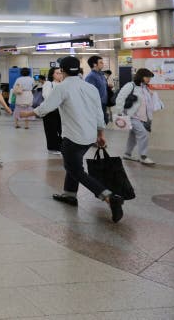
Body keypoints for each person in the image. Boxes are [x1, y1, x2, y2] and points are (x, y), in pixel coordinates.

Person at [23, 56, 125, 223]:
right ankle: (69, 195)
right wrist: (100, 134)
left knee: (75, 169)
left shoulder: (63, 87)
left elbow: (46, 107)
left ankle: (109, 197)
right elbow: (99, 112)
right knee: (74, 164)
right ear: (78, 70)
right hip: (89, 136)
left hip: (73, 136)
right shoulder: (90, 87)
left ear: (62, 71)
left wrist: (28, 113)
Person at [115, 68, 162, 165]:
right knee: (143, 134)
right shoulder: (131, 85)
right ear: (141, 76)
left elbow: (147, 102)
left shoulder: (145, 88)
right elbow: (120, 98)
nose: (149, 79)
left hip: (142, 117)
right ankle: (143, 156)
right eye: (147, 77)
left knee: (133, 136)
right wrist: (120, 112)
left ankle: (127, 154)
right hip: (132, 116)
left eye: (150, 77)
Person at [41, 67, 63, 154]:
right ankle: (52, 148)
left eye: (61, 73)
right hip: (50, 110)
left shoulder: (63, 83)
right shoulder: (48, 84)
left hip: (61, 110)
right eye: (57, 73)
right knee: (51, 130)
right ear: (52, 74)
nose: (60, 75)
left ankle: (60, 146)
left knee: (61, 129)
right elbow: (46, 96)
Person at [85, 55, 109, 125]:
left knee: (104, 122)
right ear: (94, 64)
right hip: (96, 105)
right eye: (101, 62)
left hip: (103, 103)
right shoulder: (91, 77)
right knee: (99, 124)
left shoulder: (101, 75)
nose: (103, 64)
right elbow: (89, 93)